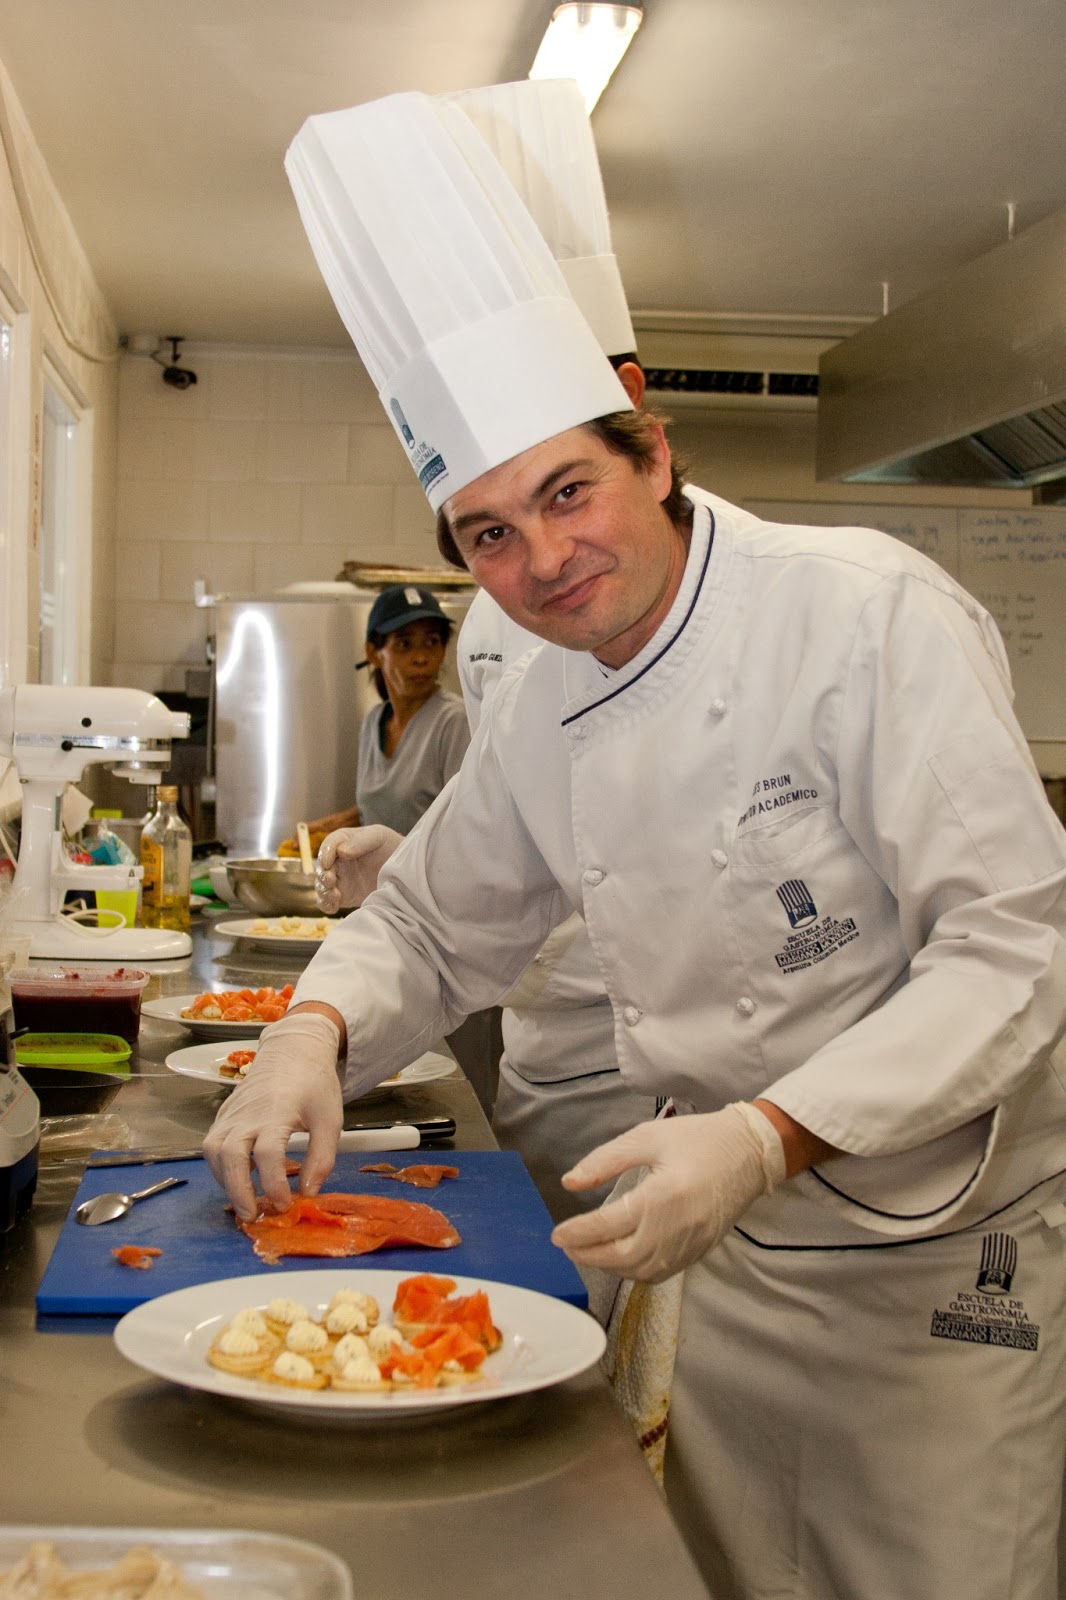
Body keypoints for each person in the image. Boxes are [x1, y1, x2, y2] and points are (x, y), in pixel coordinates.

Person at [208, 89, 1066, 1599]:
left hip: (941, 1258)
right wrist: (312, 1027)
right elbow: (430, 923)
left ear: (652, 456)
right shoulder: (547, 700)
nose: (539, 562)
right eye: (485, 532)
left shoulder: (860, 614)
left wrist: (764, 1134)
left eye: (567, 492)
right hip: (742, 1256)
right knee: (727, 1568)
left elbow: (1011, 947)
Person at [292, 583, 469, 842]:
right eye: (404, 644)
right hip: (381, 880)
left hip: (431, 881)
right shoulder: (374, 722)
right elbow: (390, 809)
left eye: (431, 642)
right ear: (374, 653)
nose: (421, 657)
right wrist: (334, 825)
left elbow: (462, 824)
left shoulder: (454, 722)